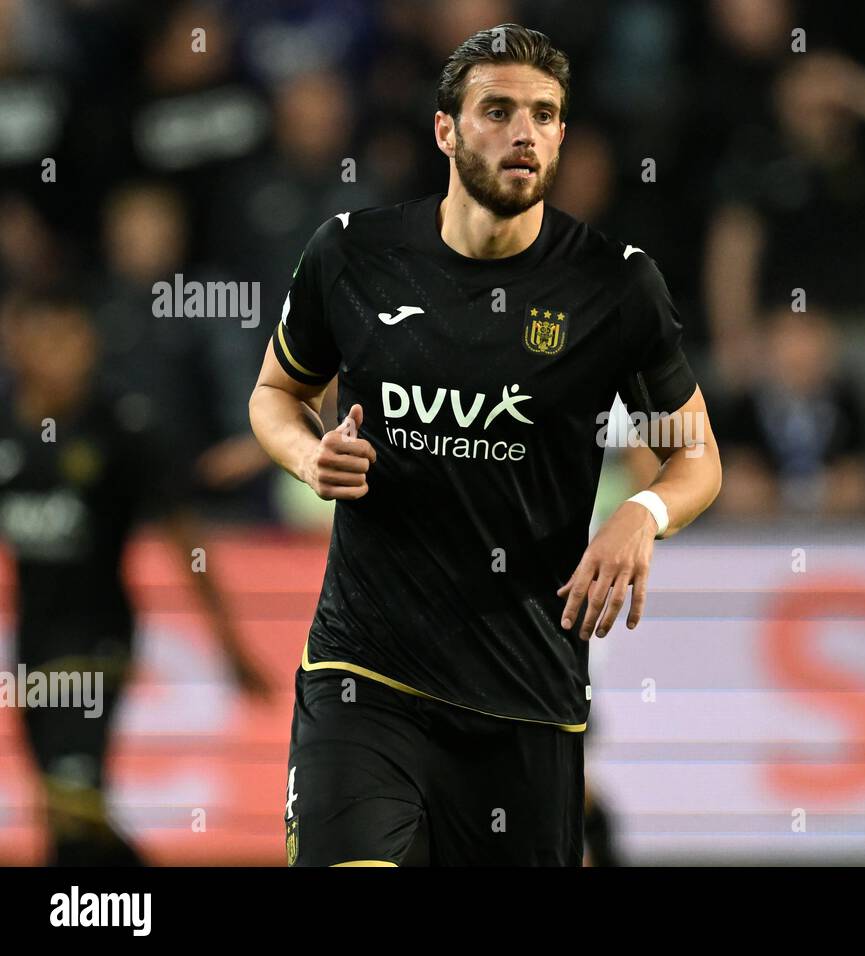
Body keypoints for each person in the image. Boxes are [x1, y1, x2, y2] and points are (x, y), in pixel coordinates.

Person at [248, 23, 722, 867]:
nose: (523, 132)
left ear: (563, 136)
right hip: (366, 678)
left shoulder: (615, 287)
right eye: (497, 110)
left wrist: (641, 514)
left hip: (525, 696)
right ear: (446, 130)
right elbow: (276, 396)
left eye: (544, 114)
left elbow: (697, 458)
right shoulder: (353, 255)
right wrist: (306, 454)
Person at [0, 289, 270, 866]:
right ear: (19, 344)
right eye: (48, 340)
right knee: (65, 815)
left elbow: (185, 538)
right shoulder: (7, 428)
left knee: (71, 805)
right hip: (32, 648)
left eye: (74, 340)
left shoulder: (120, 427)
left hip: (98, 643)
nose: (64, 355)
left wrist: (231, 648)